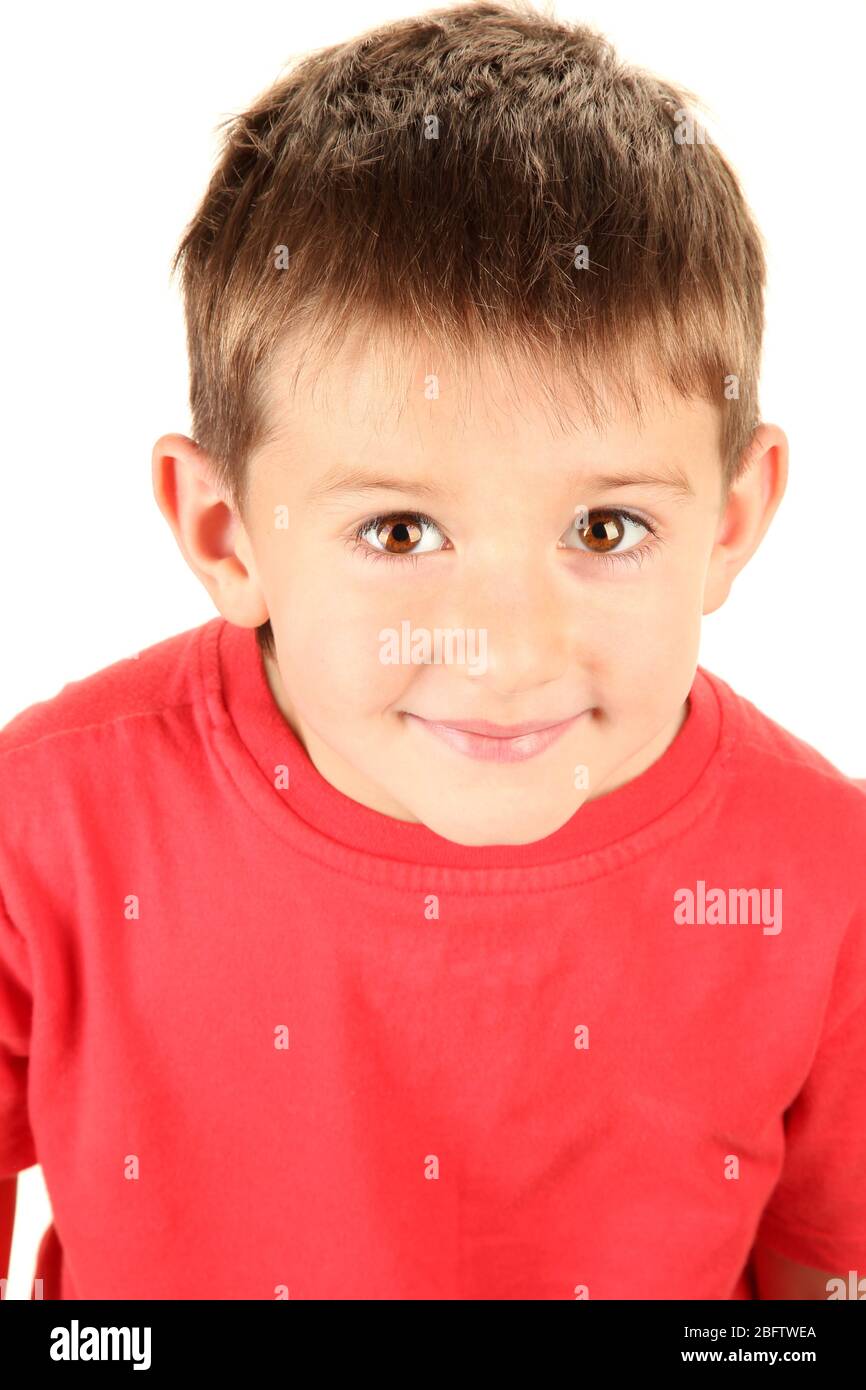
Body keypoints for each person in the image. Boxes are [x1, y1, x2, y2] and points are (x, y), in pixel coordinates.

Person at [2, 0, 864, 1300]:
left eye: (604, 524)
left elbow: (822, 1279)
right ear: (226, 531)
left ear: (731, 520)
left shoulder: (820, 878)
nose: (508, 650)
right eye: (400, 529)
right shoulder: (48, 825)